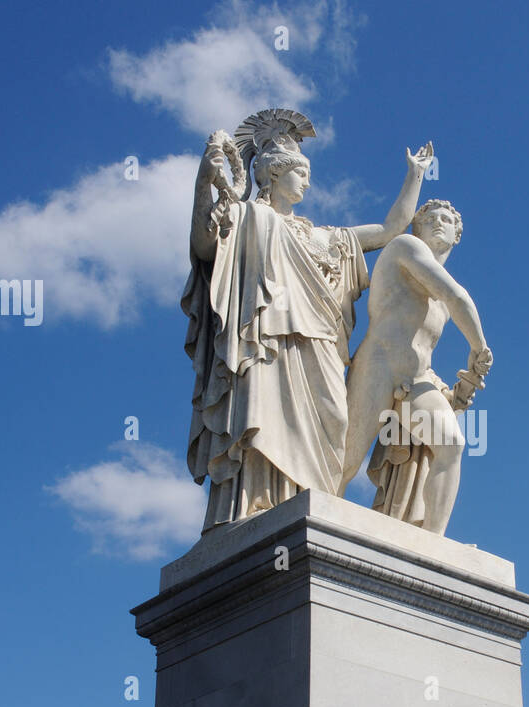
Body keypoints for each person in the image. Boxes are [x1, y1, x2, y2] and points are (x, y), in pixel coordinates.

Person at [182, 108, 433, 529]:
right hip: (268, 342)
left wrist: (415, 176)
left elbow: (391, 230)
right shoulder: (250, 218)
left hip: (323, 349)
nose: (308, 181)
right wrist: (205, 184)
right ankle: (254, 506)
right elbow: (206, 247)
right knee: (263, 420)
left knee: (333, 423)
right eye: (300, 172)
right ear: (274, 174)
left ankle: (309, 509)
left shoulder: (330, 238)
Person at [341, 199, 491, 536]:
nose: (438, 222)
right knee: (347, 459)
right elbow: (457, 296)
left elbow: (426, 342)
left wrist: (457, 393)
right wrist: (479, 348)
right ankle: (321, 517)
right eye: (429, 218)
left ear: (456, 236)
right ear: (416, 227)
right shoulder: (404, 247)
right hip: (378, 363)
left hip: (418, 377)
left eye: (447, 220)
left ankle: (433, 543)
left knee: (451, 444)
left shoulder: (444, 302)